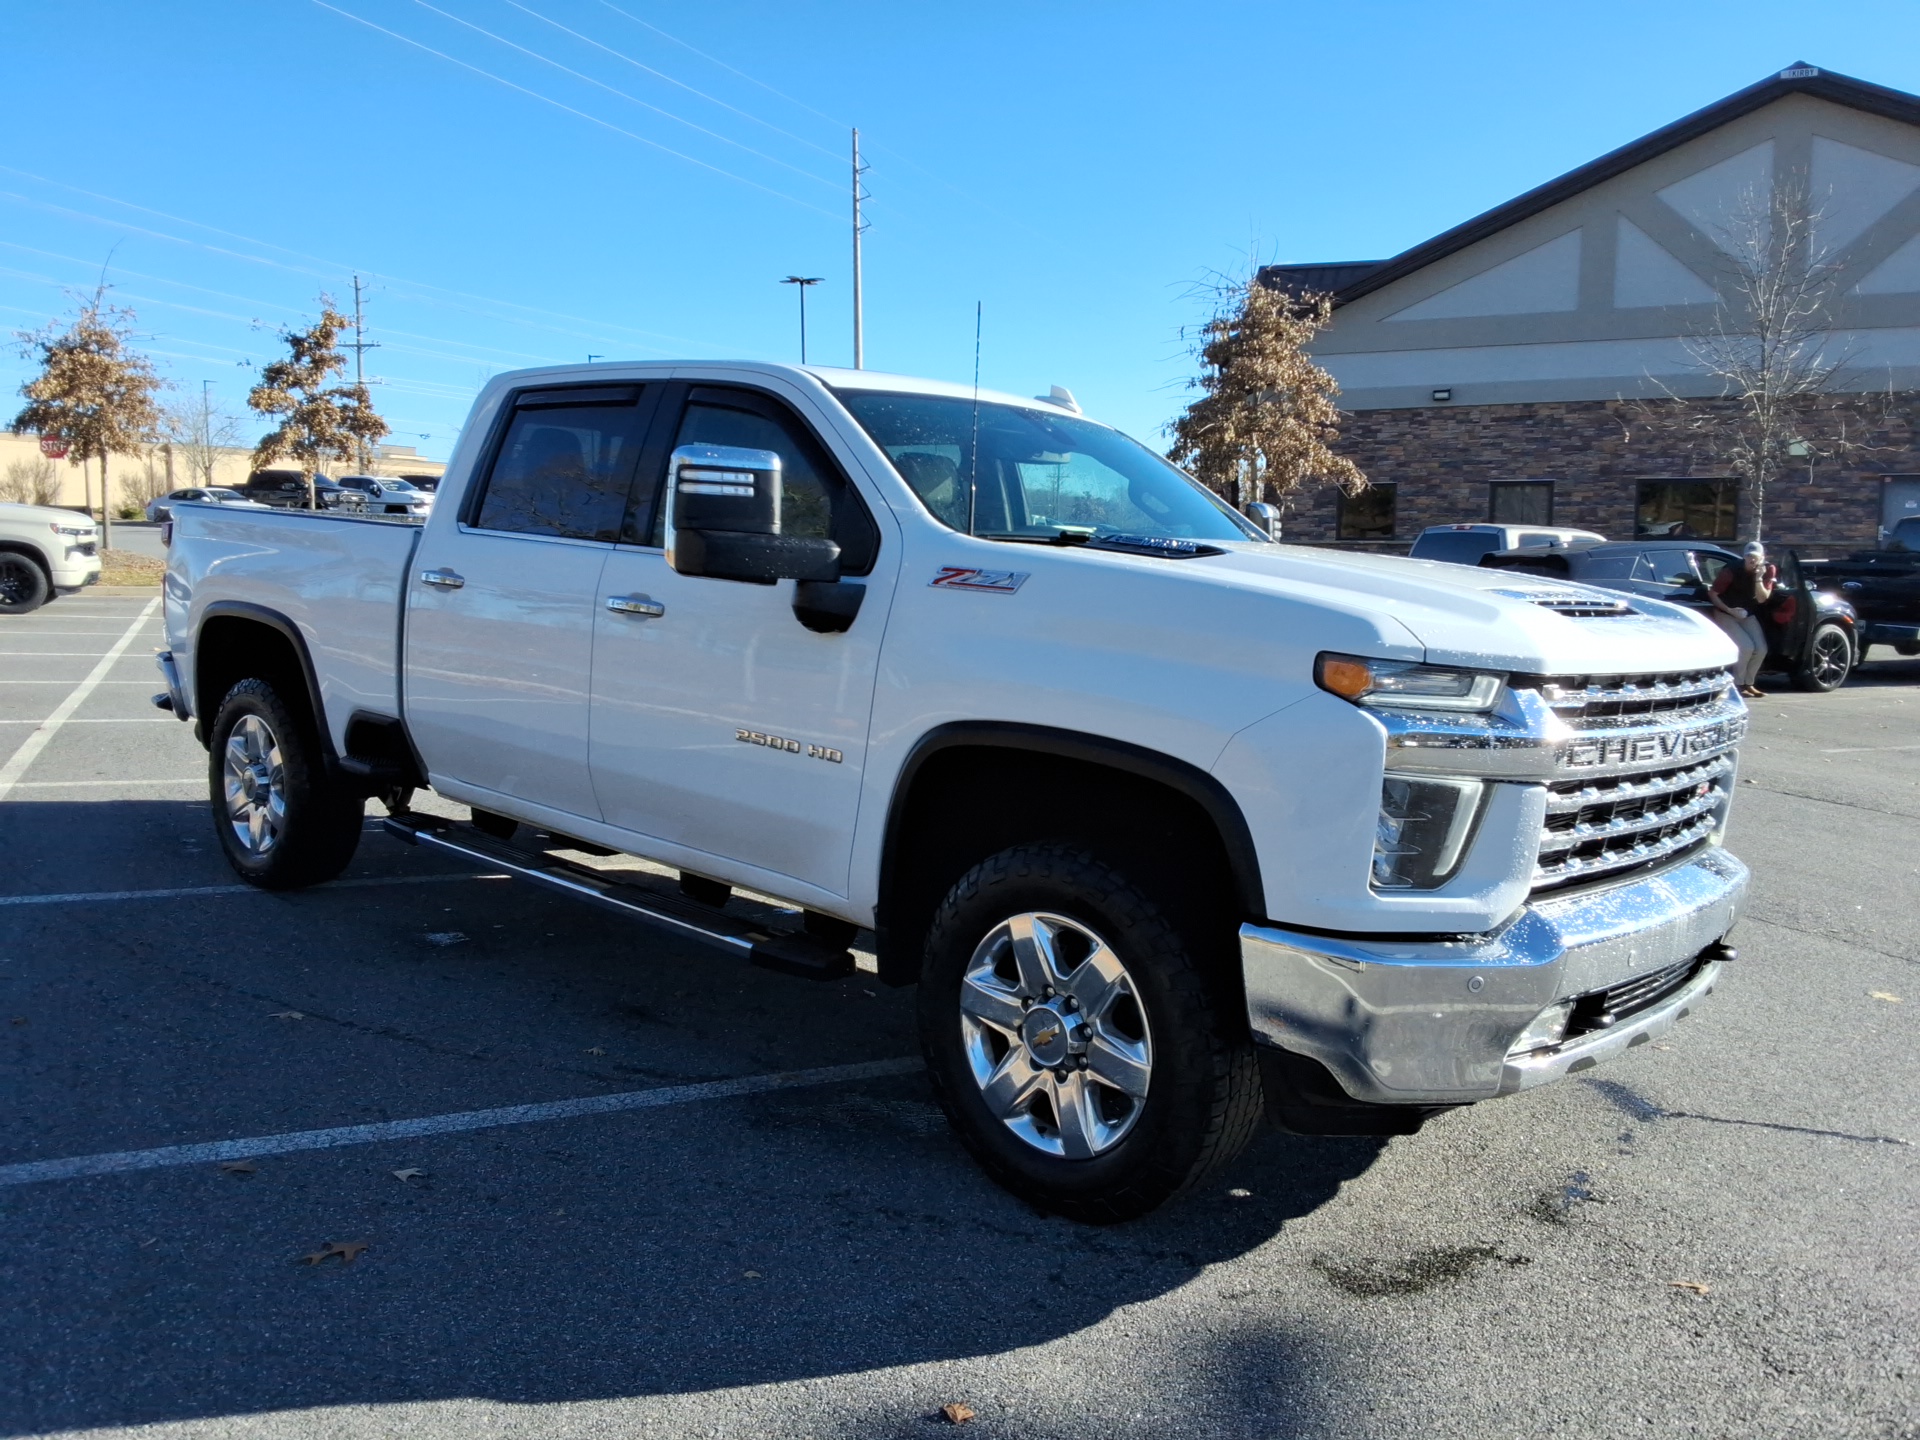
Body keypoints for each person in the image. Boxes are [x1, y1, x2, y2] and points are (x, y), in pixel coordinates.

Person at [1709, 541, 1777, 698]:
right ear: (1744, 557)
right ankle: (1738, 685)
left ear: (1762, 557)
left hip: (1747, 614)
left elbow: (1762, 599)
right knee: (1746, 647)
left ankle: (1749, 683)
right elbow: (1713, 593)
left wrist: (1759, 578)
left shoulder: (1768, 570)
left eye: (1755, 557)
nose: (1751, 560)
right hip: (1726, 612)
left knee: (1761, 649)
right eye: (1748, 556)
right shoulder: (1731, 570)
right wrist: (1729, 610)